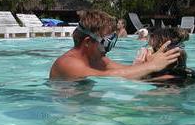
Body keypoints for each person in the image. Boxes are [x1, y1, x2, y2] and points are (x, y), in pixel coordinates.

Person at [49, 10, 180, 80]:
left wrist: (147, 64)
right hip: (70, 122)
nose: (109, 47)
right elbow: (106, 78)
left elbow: (124, 71)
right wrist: (152, 65)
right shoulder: (67, 64)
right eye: (106, 41)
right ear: (88, 42)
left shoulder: (97, 59)